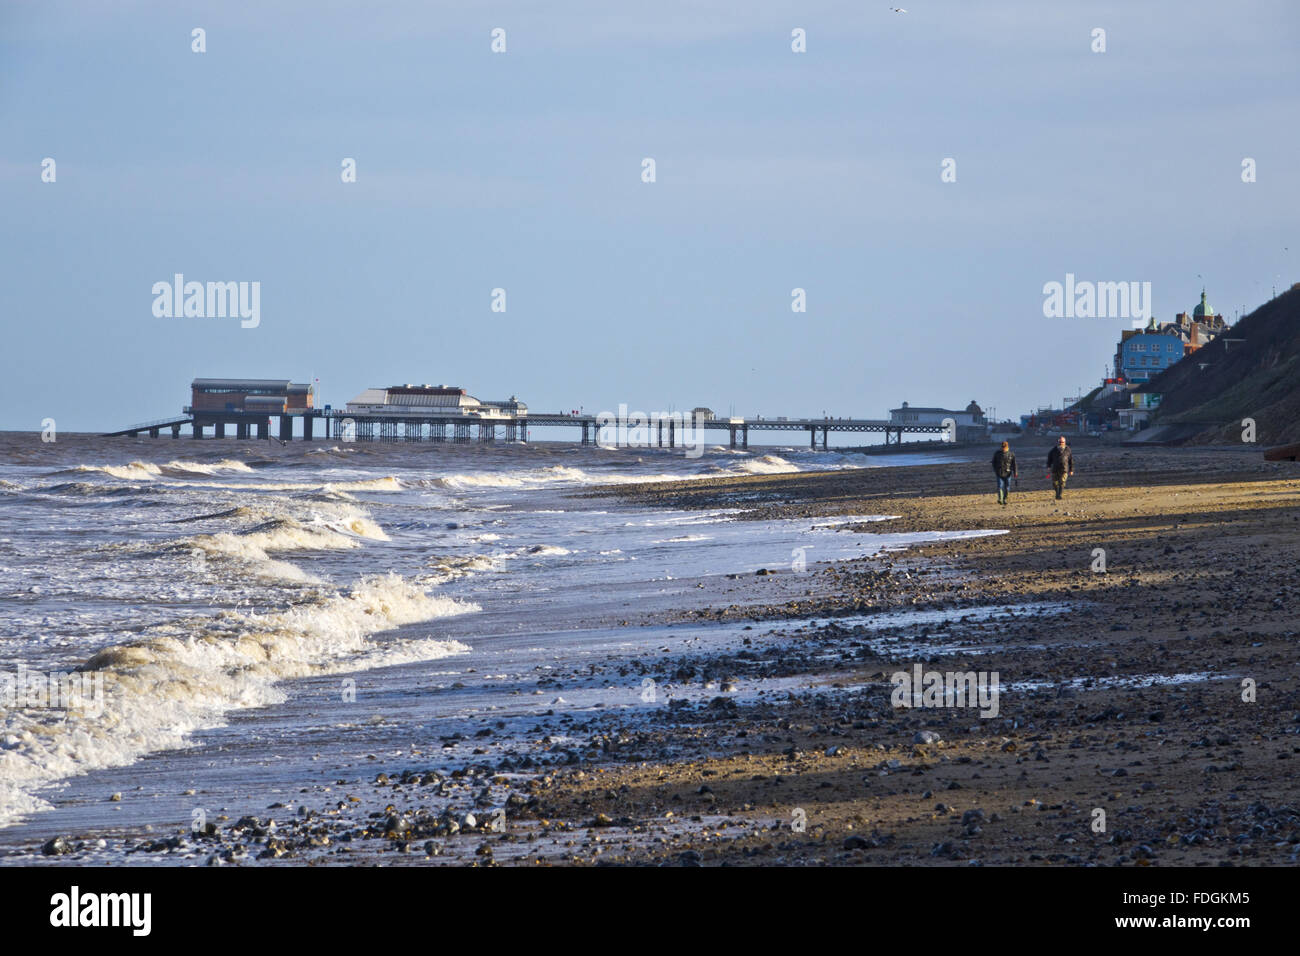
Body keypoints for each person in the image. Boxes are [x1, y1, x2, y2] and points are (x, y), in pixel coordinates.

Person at [1046, 435, 1074, 500]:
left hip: (1064, 469)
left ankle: (1060, 495)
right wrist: (1048, 467)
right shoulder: (1053, 450)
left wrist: (1071, 469)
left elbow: (1071, 460)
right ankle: (1057, 493)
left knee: (1062, 482)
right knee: (1055, 483)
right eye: (1059, 442)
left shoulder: (1068, 450)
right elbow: (1049, 459)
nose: (1061, 444)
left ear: (1065, 442)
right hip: (1055, 469)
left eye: (1062, 442)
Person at [991, 441, 1018, 506]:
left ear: (1007, 447)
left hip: (1008, 473)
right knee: (1000, 486)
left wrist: (1015, 472)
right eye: (1003, 447)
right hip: (999, 473)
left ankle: (1005, 499)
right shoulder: (997, 453)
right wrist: (995, 470)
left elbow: (1014, 464)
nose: (1003, 448)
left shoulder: (1011, 454)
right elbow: (993, 462)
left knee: (1007, 486)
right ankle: (1000, 499)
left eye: (1004, 447)